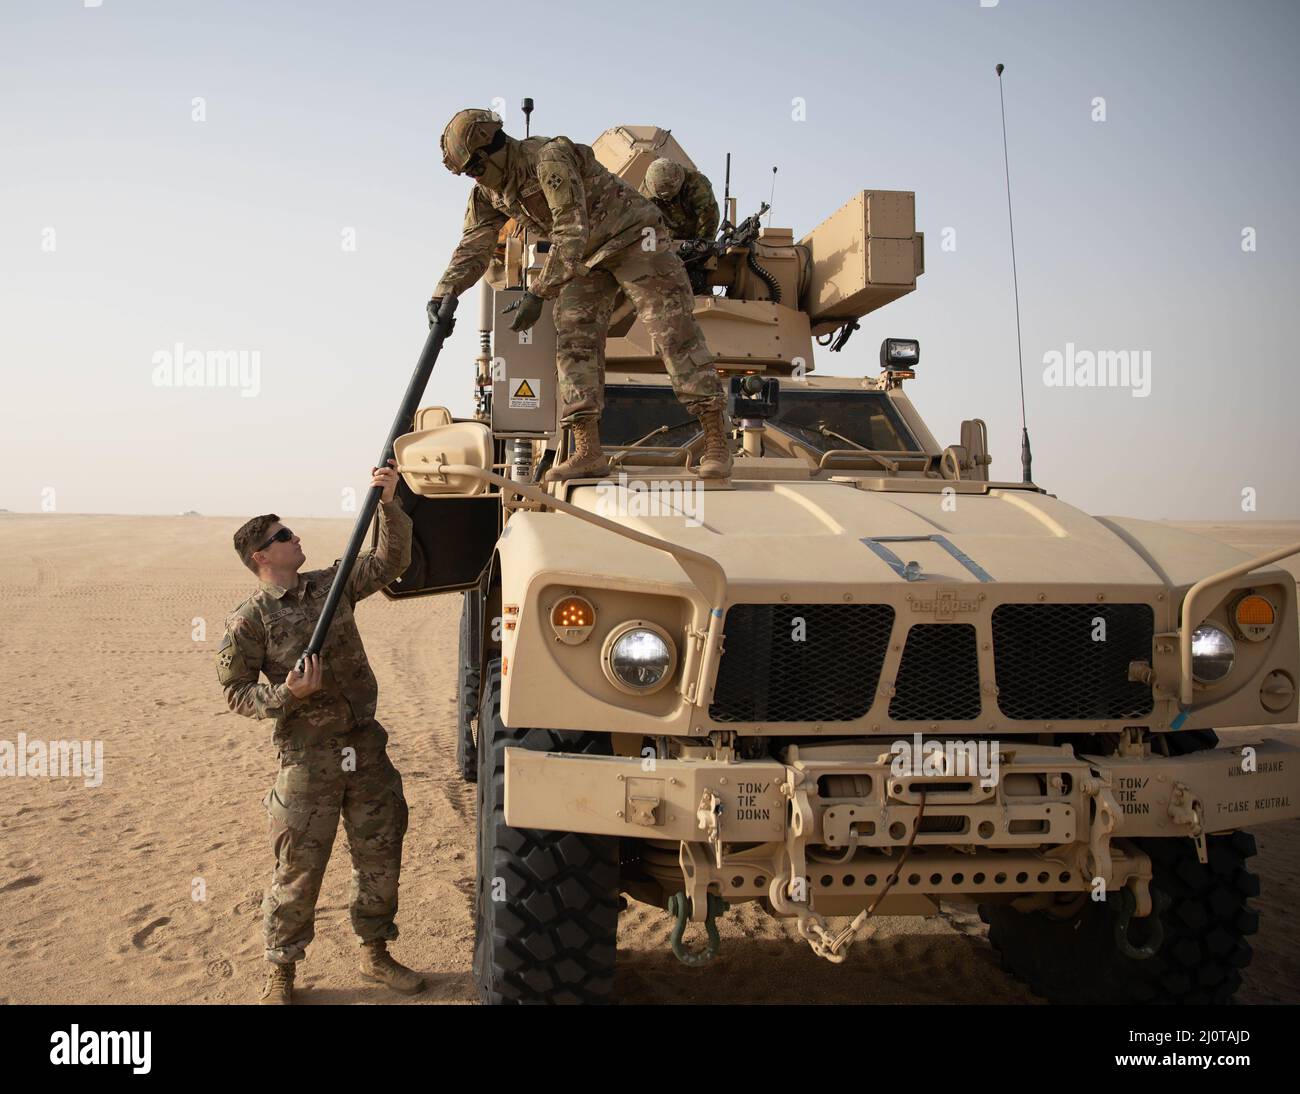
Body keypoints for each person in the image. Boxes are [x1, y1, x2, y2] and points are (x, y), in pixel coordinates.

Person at [427, 108, 733, 481]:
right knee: (573, 339)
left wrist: (538, 294)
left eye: (474, 167)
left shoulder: (547, 158)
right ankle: (588, 451)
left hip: (634, 238)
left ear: (494, 148)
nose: (473, 178)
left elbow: (571, 228)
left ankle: (717, 439)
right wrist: (445, 291)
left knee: (671, 331)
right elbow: (474, 246)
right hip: (587, 258)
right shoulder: (489, 193)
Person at [218, 462, 426, 1004]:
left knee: (380, 855)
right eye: (283, 536)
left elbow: (389, 560)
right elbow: (236, 693)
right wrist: (290, 695)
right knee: (299, 868)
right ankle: (282, 970)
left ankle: (376, 953)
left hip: (365, 747)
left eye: (291, 531)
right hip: (307, 759)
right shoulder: (251, 619)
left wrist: (388, 502)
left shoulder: (329, 585)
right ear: (261, 557)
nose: (295, 538)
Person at [638, 157, 720, 242]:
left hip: (695, 234)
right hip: (667, 241)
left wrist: (702, 244)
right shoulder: (644, 199)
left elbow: (708, 216)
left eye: (670, 187)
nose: (667, 198)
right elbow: (644, 228)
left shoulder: (696, 183)